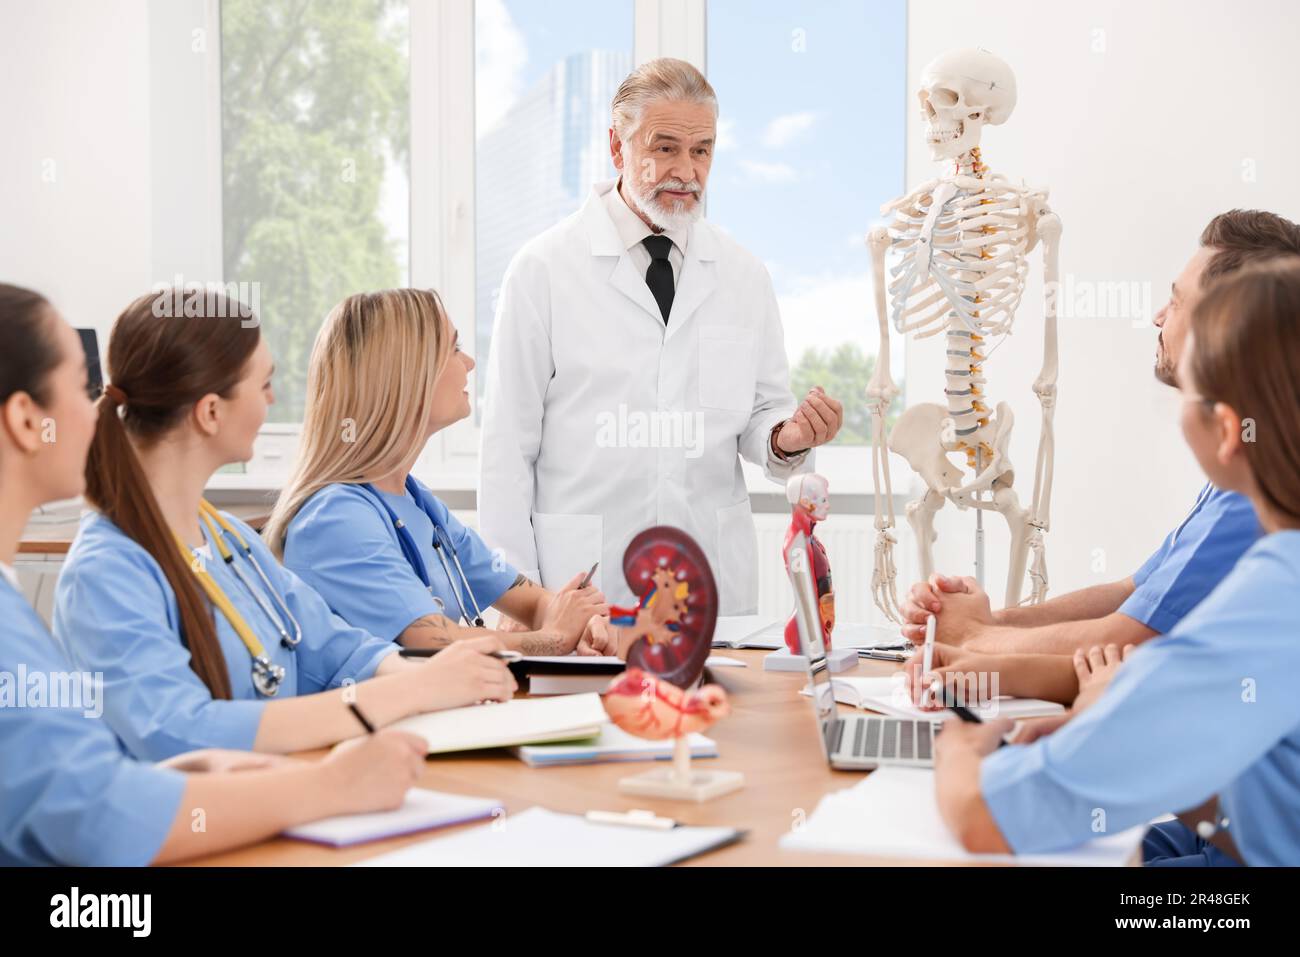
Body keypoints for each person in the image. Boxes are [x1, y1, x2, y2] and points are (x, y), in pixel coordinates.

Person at [0, 283, 426, 865]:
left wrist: (180, 774)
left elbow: (81, 781)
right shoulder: (94, 577)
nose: (98, 408)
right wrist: (333, 783)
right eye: (81, 386)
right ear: (26, 419)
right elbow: (97, 815)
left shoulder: (227, 539)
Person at [931, 258, 1300, 866]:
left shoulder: (1277, 590)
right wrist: (1115, 730)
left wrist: (958, 750)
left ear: (1227, 430)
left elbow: (982, 817)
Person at [53, 288, 516, 762]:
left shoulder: (230, 539)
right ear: (211, 412)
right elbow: (182, 732)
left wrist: (438, 675)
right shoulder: (104, 574)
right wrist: (408, 692)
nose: (273, 400)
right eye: (264, 384)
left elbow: (338, 649)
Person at [478, 57, 845, 615]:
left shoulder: (743, 275)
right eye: (665, 147)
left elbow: (761, 413)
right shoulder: (543, 270)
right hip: (585, 582)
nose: (686, 170)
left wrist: (785, 438)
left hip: (709, 582)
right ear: (617, 146)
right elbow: (507, 449)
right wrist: (519, 602)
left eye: (702, 151)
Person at [900, 210, 1300, 655]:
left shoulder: (1252, 492)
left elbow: (1131, 639)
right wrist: (988, 622)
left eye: (1176, 302)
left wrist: (973, 636)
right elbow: (1134, 595)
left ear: (1226, 324)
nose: (1158, 317)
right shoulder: (1243, 470)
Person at [264, 288, 611, 653]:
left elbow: (534, 603)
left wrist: (577, 619)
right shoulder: (335, 516)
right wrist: (554, 639)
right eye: (454, 348)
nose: (470, 363)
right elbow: (431, 641)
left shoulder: (419, 504)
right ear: (405, 375)